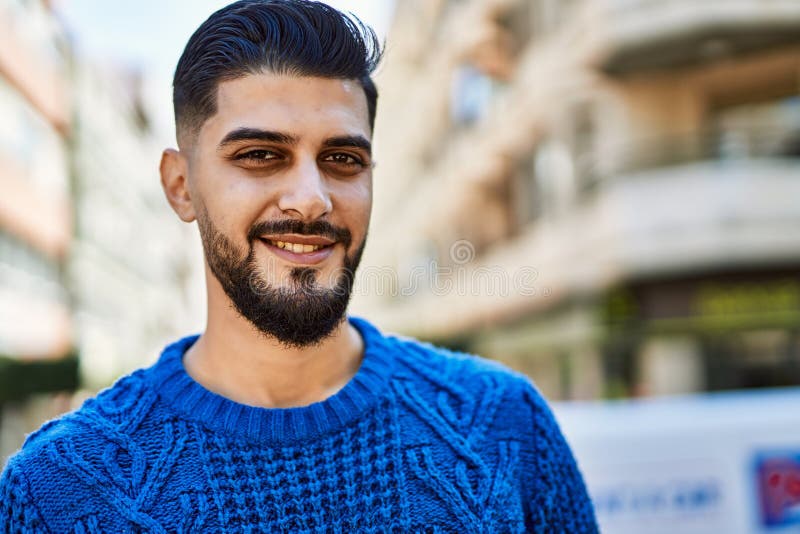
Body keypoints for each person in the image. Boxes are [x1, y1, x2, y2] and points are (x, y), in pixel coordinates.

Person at [0, 1, 598, 531]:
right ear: (181, 186)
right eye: (261, 155)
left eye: (342, 159)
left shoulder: (504, 426)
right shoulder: (55, 491)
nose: (311, 197)